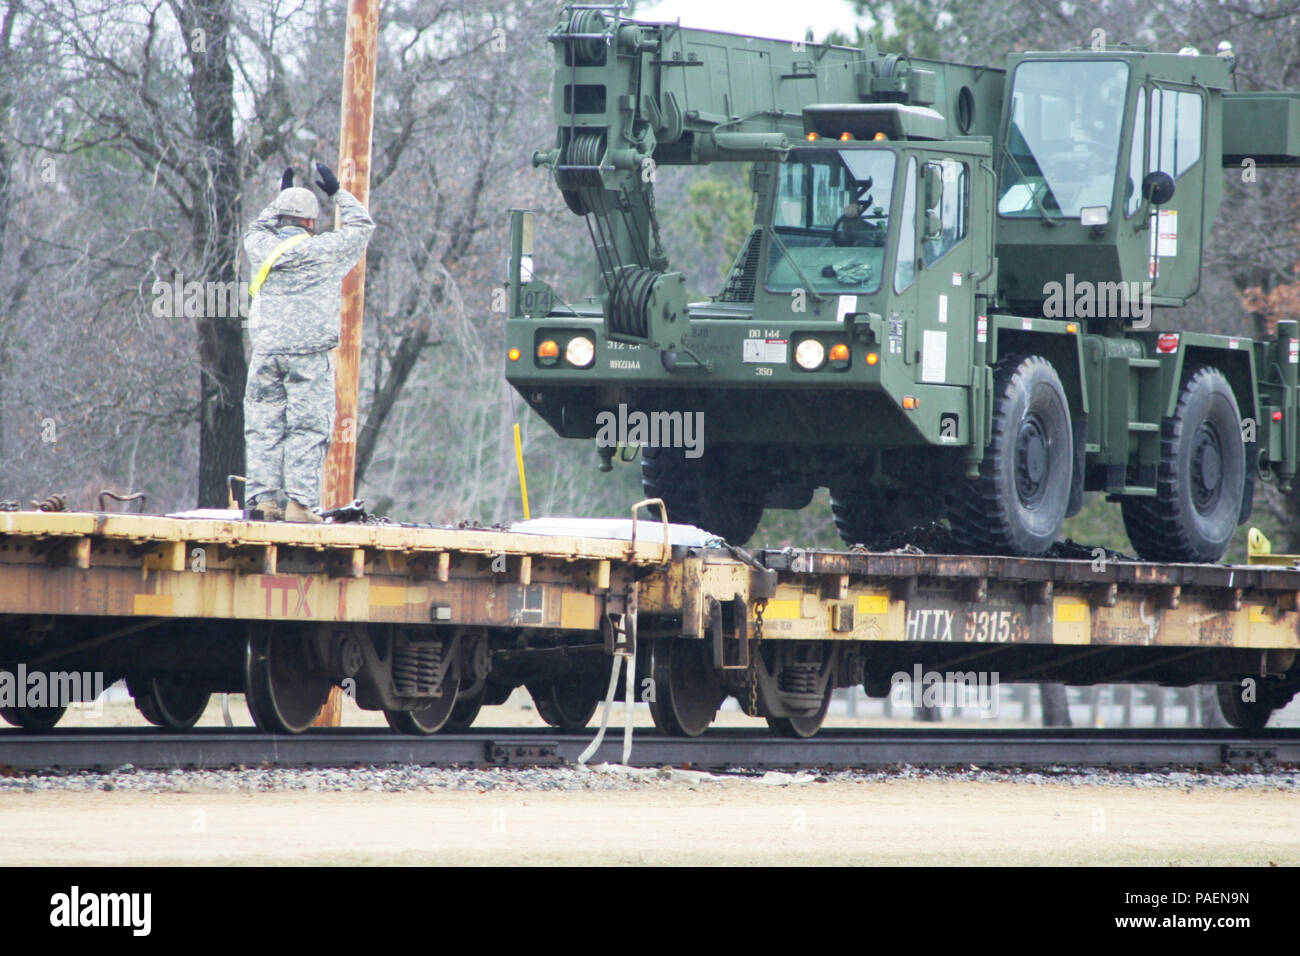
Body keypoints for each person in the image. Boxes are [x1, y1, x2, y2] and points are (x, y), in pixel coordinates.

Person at [242, 162, 375, 522]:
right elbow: (362, 226)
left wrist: (280, 197)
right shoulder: (324, 252)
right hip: (308, 356)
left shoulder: (259, 247)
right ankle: (299, 505)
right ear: (310, 223)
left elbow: (258, 225)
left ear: (281, 218)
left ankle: (263, 503)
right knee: (308, 426)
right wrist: (337, 193)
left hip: (266, 354)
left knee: (263, 425)